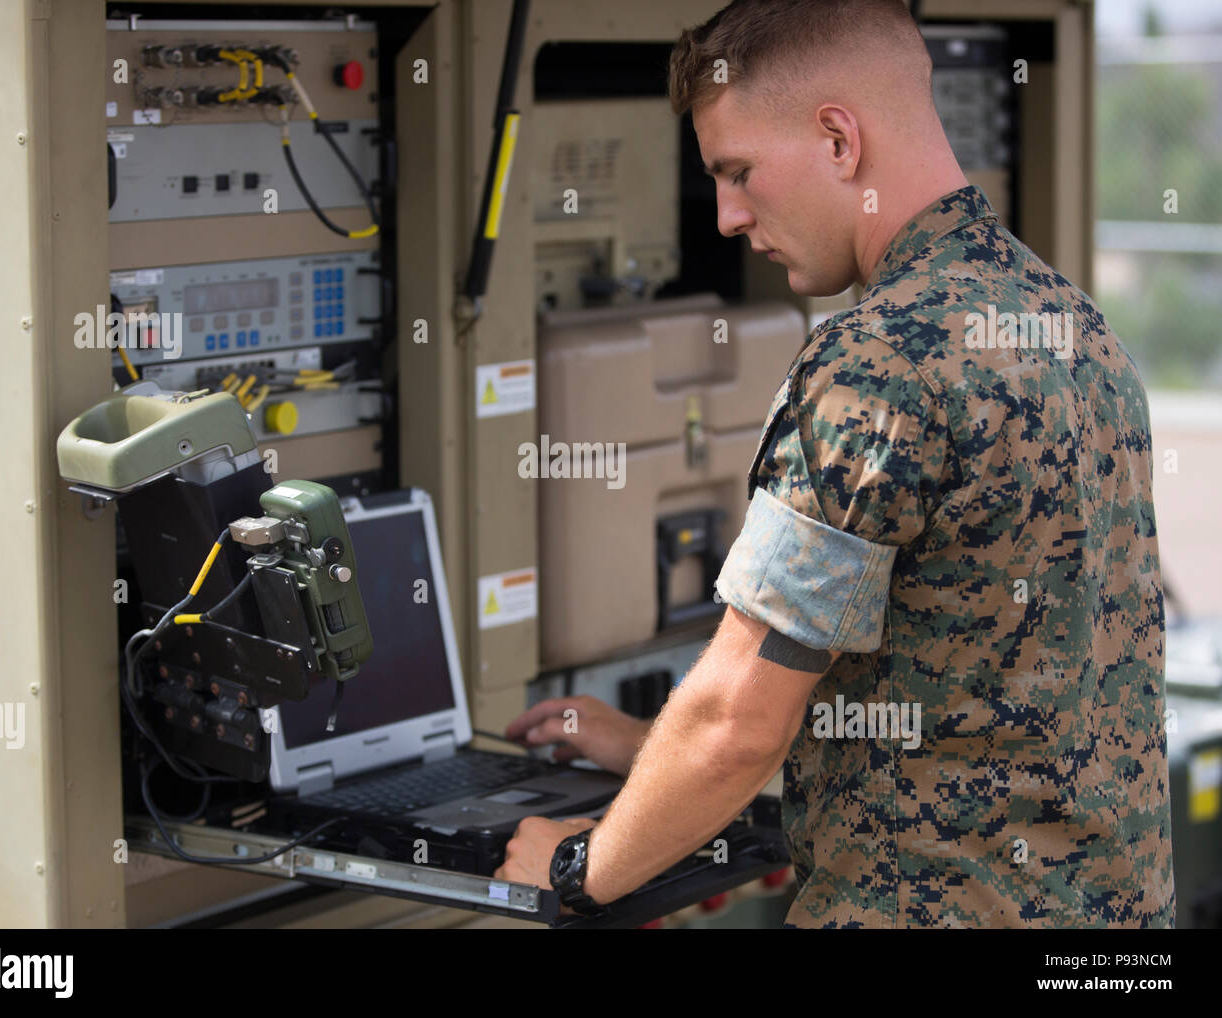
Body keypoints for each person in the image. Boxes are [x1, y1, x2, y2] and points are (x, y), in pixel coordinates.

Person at [495, 0, 1174, 927]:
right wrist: (654, 750)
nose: (729, 216)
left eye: (738, 172)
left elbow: (739, 723)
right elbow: (965, 680)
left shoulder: (877, 361)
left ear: (838, 140)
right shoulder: (1068, 320)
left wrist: (577, 869)